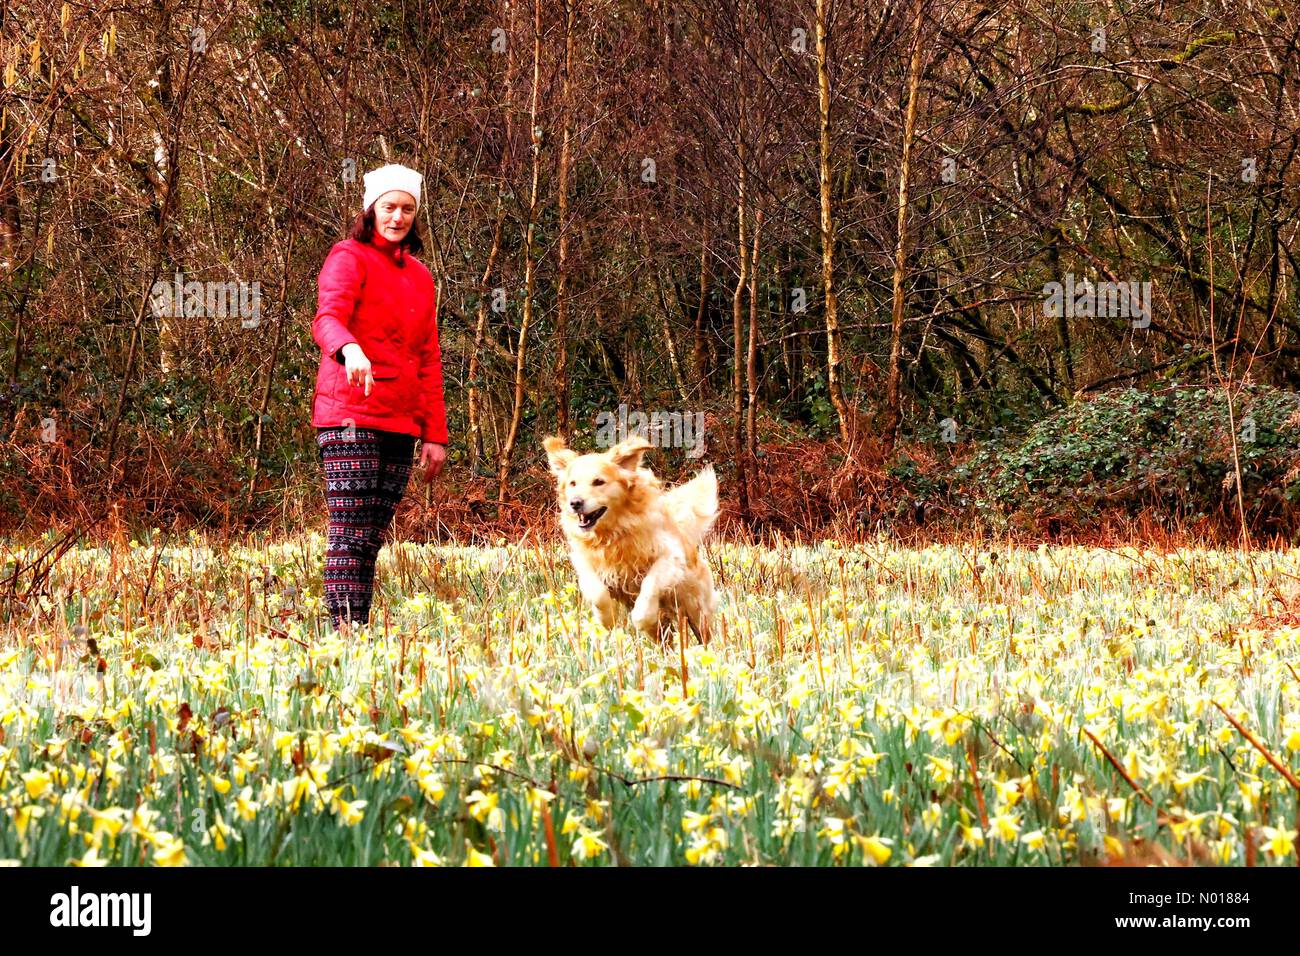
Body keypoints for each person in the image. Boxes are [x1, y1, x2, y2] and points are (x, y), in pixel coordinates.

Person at [310, 162, 447, 632]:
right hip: (349, 412)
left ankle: (357, 627)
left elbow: (428, 358)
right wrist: (349, 348)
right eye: (389, 206)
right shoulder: (348, 256)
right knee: (349, 532)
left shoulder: (422, 277)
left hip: (400, 420)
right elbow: (327, 318)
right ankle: (344, 631)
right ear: (371, 209)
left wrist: (435, 434)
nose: (398, 216)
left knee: (371, 536)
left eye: (407, 208)